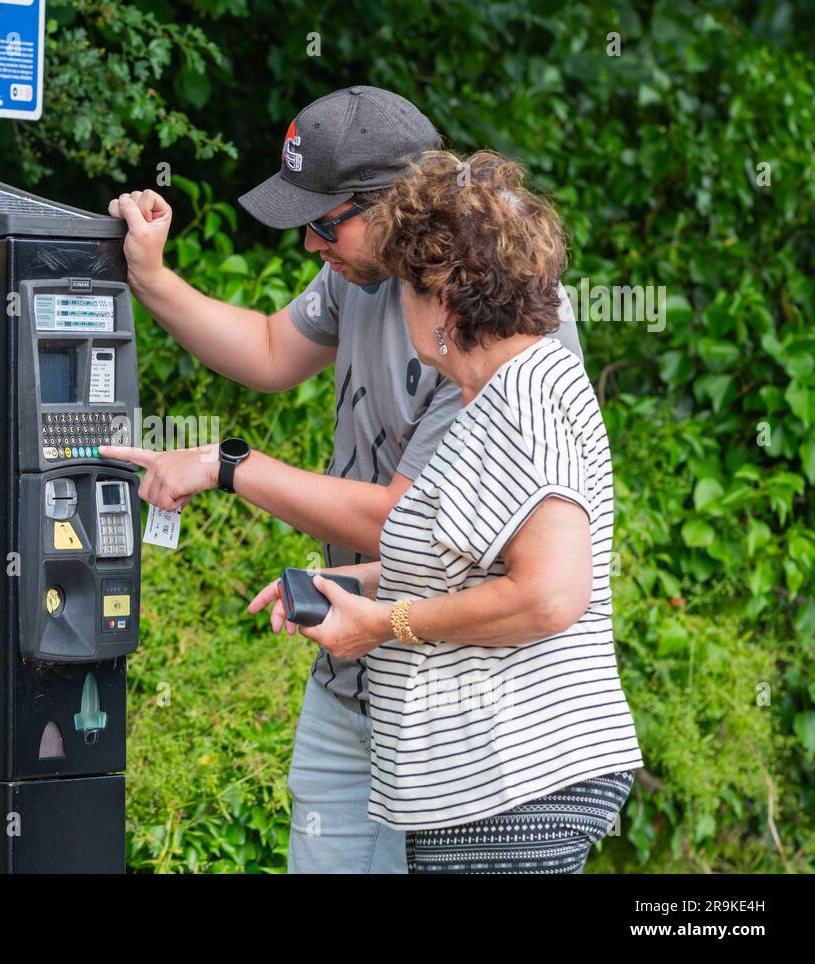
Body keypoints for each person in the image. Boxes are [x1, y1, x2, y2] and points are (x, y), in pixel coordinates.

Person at [100, 86, 582, 873]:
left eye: (324, 223)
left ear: (400, 205)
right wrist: (151, 278)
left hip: (450, 694)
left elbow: (413, 520)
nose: (309, 245)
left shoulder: (496, 326)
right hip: (349, 668)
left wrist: (231, 467)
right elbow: (265, 350)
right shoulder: (359, 276)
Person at [250, 149, 644, 874]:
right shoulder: (494, 396)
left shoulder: (527, 396)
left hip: (516, 782)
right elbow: (470, 569)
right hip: (485, 787)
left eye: (403, 284)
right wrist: (354, 589)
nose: (395, 305)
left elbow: (551, 594)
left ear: (445, 295)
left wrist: (387, 623)